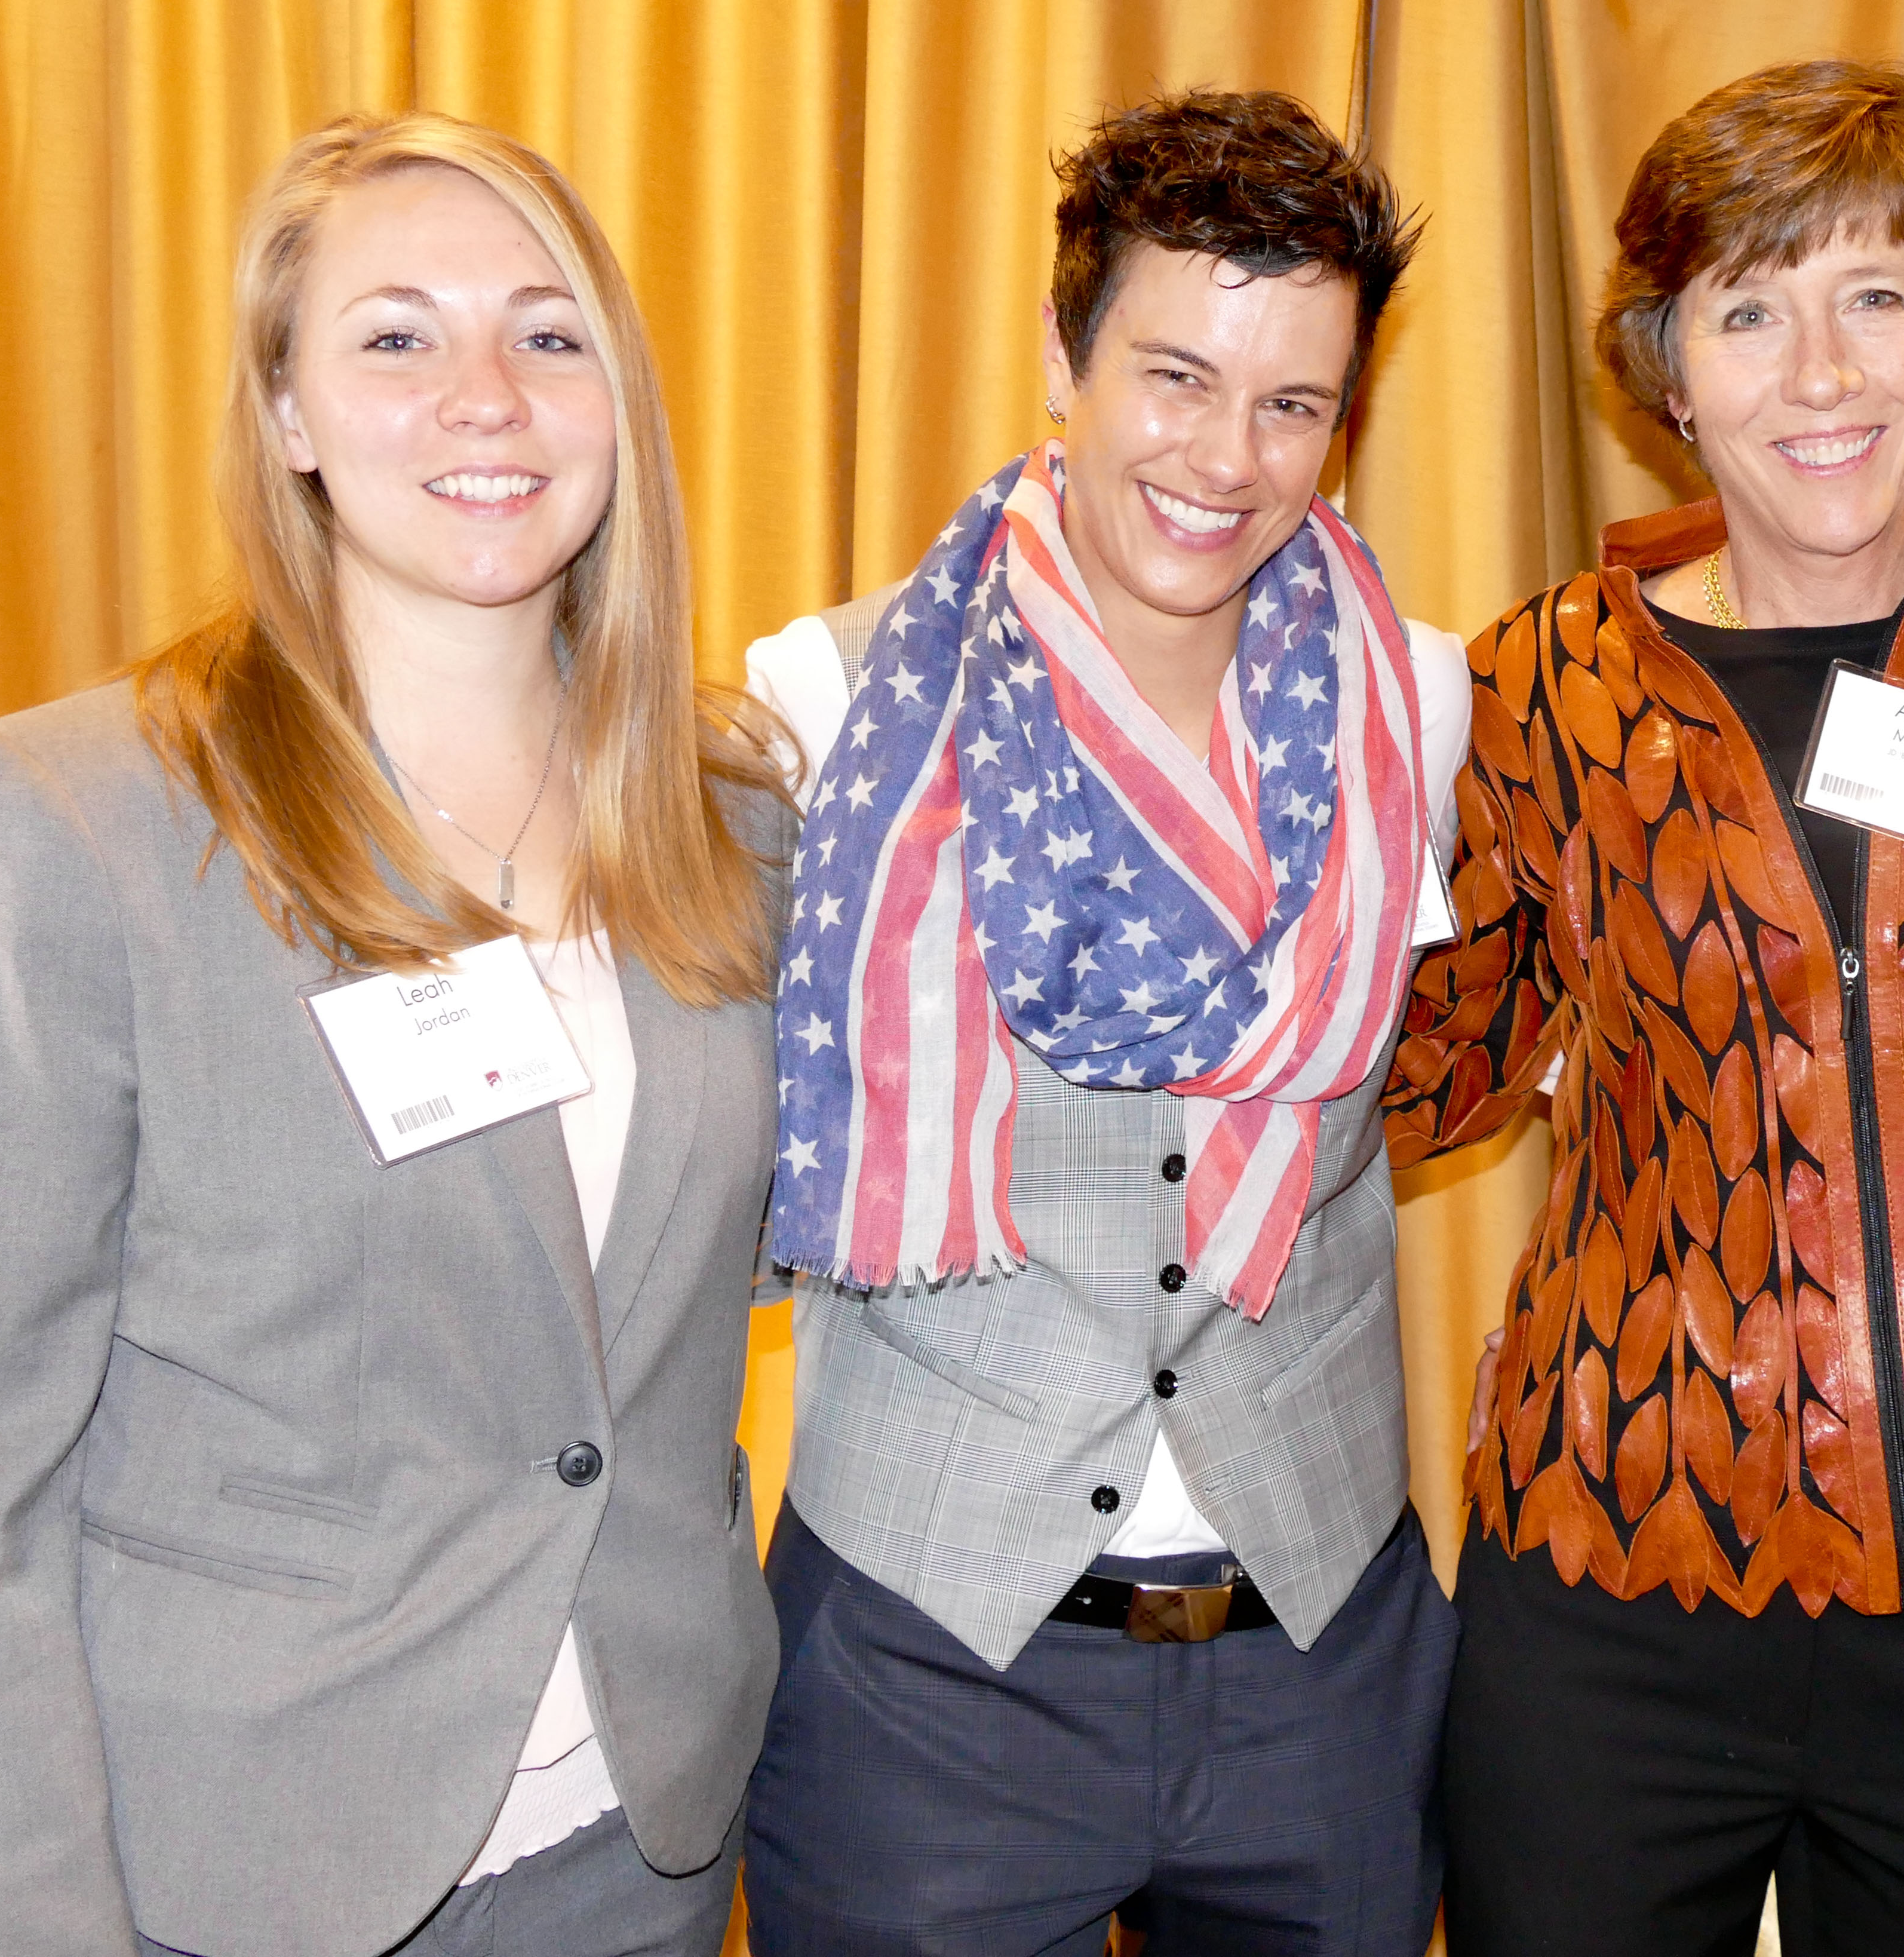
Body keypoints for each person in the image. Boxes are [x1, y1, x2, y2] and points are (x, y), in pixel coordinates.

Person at [0, 112, 790, 1957]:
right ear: (285, 413)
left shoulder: (736, 817)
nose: (486, 396)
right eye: (395, 336)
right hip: (236, 1876)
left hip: (644, 1851)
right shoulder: (69, 823)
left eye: (547, 330)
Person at [1384, 59, 1904, 1957]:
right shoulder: (1543, 690)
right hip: (1617, 1580)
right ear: (1672, 371)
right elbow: (1432, 1081)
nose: (1820, 375)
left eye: (1875, 298)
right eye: (1751, 311)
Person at [736, 90, 1467, 1956]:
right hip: (928, 1667)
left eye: (1294, 402)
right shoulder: (828, 698)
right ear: (1064, 351)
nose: (1229, 455)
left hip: (1315, 1656)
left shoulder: (1421, 709)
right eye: (1174, 375)